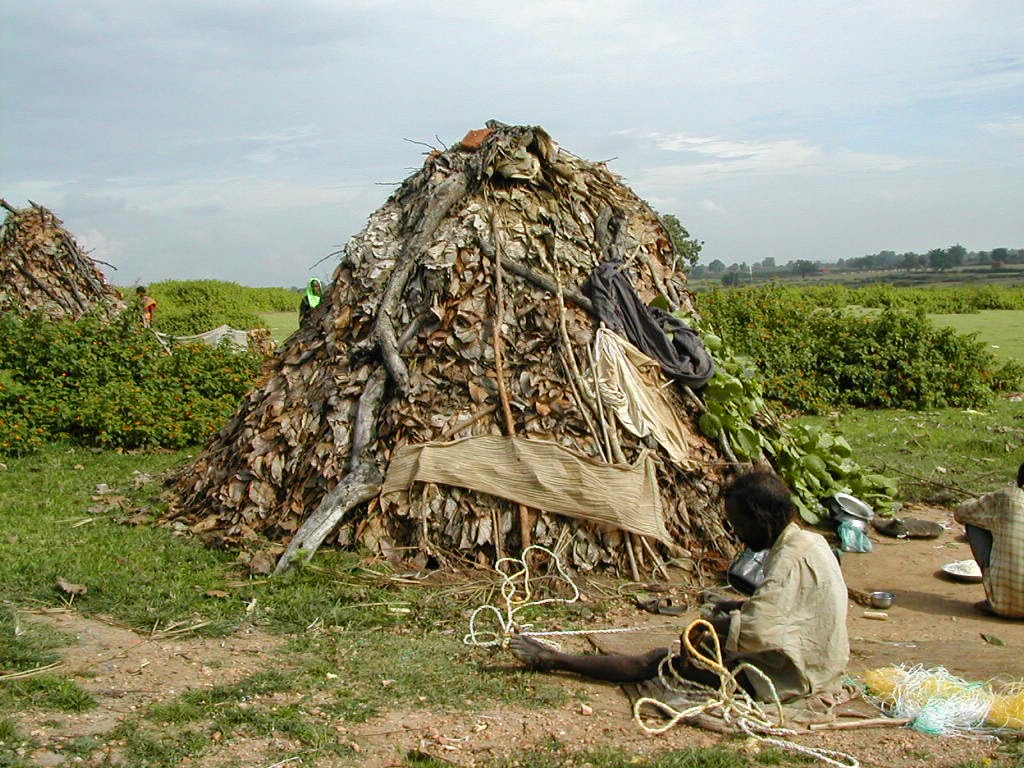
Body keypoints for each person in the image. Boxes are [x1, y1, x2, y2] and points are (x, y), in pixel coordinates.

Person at [508, 470, 849, 703]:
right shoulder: (810, 542)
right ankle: (556, 659)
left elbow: (760, 631)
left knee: (659, 663)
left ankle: (554, 660)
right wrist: (737, 610)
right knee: (708, 641)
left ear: (762, 519)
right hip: (822, 665)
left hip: (790, 680)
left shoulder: (786, 561)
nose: (738, 534)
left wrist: (711, 626)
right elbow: (791, 611)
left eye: (740, 524)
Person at [954, 463, 1024, 618]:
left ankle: (1000, 596)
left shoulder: (1008, 498)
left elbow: (961, 513)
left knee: (975, 522)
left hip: (1002, 606)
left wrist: (978, 501)